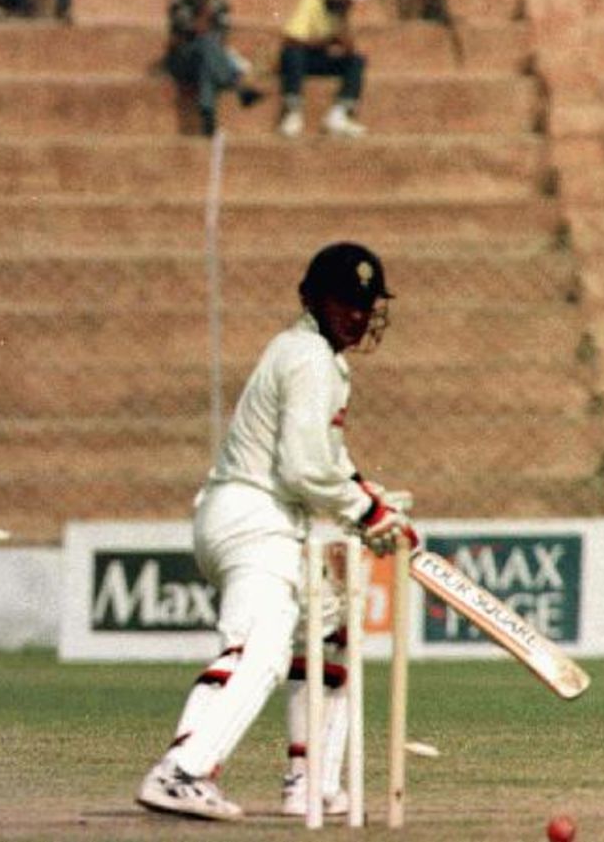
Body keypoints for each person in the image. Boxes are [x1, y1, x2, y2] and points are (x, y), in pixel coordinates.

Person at [134, 242, 418, 821]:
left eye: (366, 304)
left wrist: (373, 502)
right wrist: (368, 516)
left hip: (251, 515)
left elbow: (326, 461)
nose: (358, 316)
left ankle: (308, 780)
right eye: (345, 302)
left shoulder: (312, 357)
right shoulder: (309, 357)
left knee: (330, 628)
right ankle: (183, 772)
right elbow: (304, 469)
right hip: (254, 519)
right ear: (313, 299)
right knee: (262, 647)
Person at [165, 0, 264, 136]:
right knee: (206, 45)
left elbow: (222, 37)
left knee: (208, 55)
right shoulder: (181, 2)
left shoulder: (219, 3)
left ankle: (208, 112)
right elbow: (186, 34)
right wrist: (205, 13)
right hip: (184, 59)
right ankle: (238, 86)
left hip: (210, 61)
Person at [277, 0, 371, 138]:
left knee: (356, 61)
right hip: (302, 59)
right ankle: (292, 112)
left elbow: (348, 47)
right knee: (293, 54)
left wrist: (345, 37)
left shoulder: (341, 13)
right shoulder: (311, 2)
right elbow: (291, 39)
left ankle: (339, 114)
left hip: (321, 58)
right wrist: (327, 41)